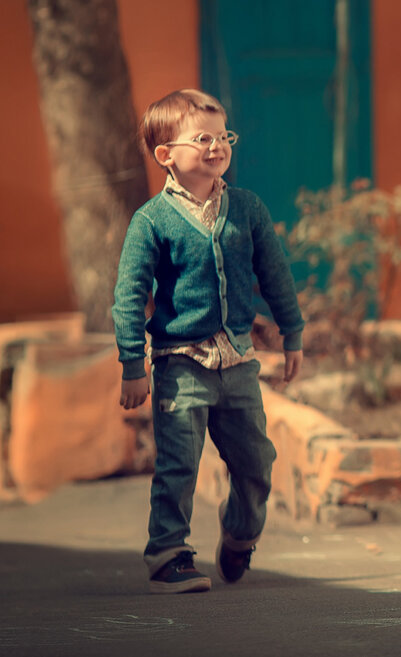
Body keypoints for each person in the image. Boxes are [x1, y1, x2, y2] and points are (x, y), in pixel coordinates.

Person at [112, 89, 304, 594]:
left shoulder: (246, 208)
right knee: (179, 464)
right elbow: (129, 296)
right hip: (181, 364)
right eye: (202, 138)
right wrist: (135, 365)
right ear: (166, 156)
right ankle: (168, 553)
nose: (217, 146)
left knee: (256, 461)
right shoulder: (151, 221)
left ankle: (240, 534)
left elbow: (275, 274)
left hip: (237, 360)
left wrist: (293, 333)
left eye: (224, 136)